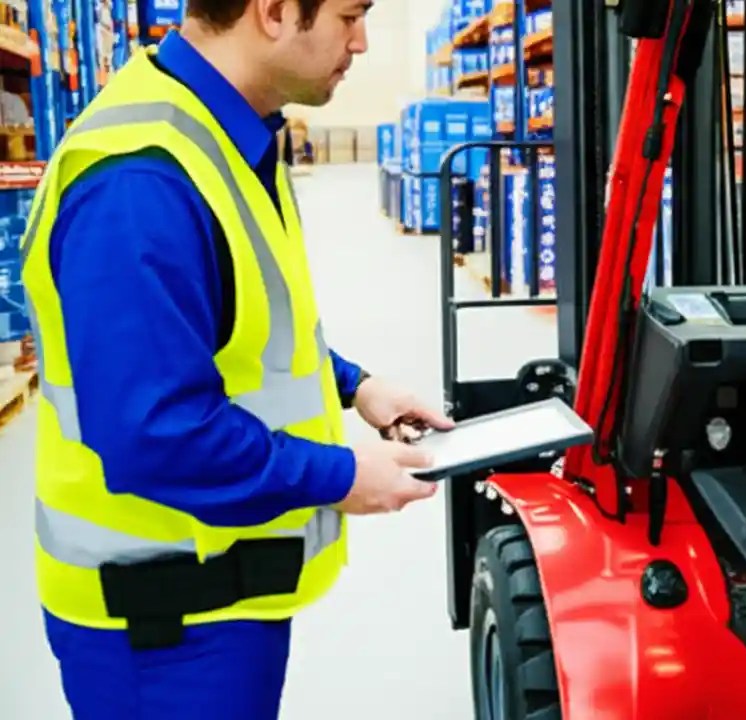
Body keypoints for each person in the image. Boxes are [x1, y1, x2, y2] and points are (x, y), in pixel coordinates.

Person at [18, 0, 453, 717]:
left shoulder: (222, 136)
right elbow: (154, 434)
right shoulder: (142, 182)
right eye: (350, 16)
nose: (364, 41)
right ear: (276, 12)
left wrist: (355, 386)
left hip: (211, 593)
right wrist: (342, 475)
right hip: (160, 628)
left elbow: (224, 328)